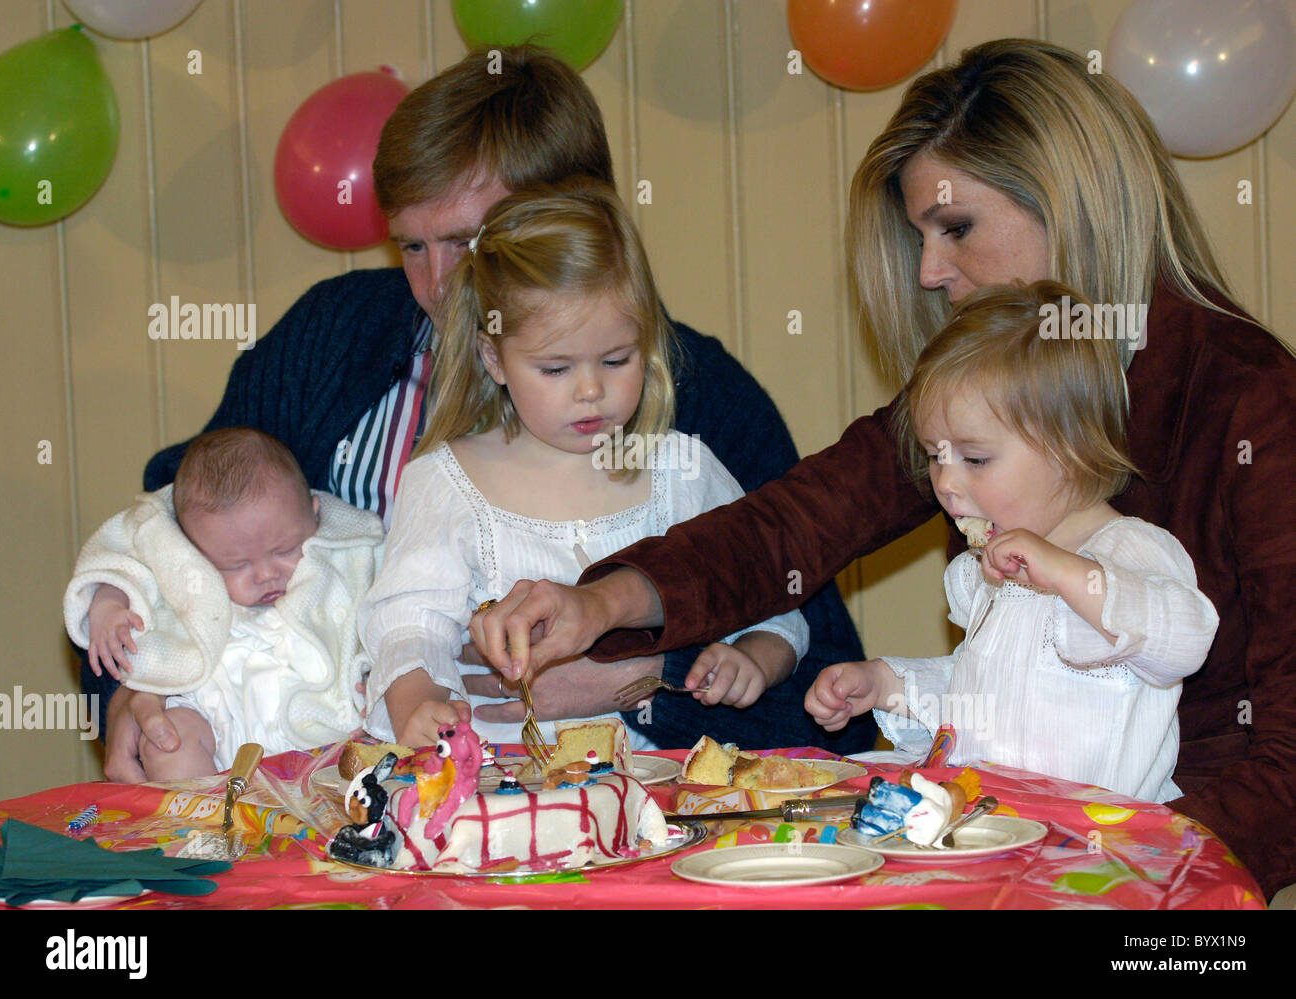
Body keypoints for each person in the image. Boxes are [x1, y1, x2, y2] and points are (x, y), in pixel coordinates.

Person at [469, 39, 1296, 899]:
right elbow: (795, 522)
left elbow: (1286, 759)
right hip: (1016, 848)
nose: (932, 271)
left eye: (958, 228)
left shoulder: (1252, 399)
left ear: (1072, 200)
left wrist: (1134, 875)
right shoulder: (995, 389)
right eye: (921, 237)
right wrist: (599, 603)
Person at [86, 44, 871, 780]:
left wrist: (644, 682)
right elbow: (172, 519)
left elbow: (826, 687)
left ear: (570, 227)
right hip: (330, 797)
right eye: (412, 246)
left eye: (467, 244)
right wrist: (137, 689)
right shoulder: (330, 337)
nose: (435, 283)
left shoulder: (697, 403)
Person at [359, 179, 808, 750]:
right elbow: (408, 628)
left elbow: (776, 595)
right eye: (555, 369)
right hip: (500, 794)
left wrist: (754, 658)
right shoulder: (445, 482)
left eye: (617, 360)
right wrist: (417, 703)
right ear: (493, 358)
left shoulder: (682, 471)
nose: (591, 390)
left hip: (659, 803)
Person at [806, 282, 1218, 802]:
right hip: (1000, 825)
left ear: (1070, 450)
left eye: (975, 459)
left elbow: (1185, 638)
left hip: (1099, 844)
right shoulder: (993, 569)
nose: (946, 483)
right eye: (936, 455)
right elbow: (990, 694)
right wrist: (888, 684)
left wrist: (1068, 575)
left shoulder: (1128, 550)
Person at [65, 428, 382, 777]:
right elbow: (127, 558)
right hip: (216, 706)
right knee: (168, 743)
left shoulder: (350, 553)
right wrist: (109, 604)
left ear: (315, 513)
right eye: (237, 565)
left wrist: (380, 675)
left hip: (325, 727)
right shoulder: (184, 557)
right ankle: (204, 824)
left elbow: (396, 611)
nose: (265, 574)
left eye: (284, 550)